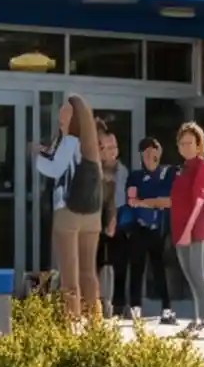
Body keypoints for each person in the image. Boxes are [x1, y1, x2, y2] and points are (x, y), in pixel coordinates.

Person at [35, 94, 104, 322]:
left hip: (68, 211)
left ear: (73, 118)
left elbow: (52, 169)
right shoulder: (89, 145)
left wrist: (38, 154)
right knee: (89, 272)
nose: (60, 117)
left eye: (65, 113)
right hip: (92, 215)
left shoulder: (69, 141)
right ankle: (95, 321)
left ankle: (71, 322)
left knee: (69, 274)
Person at [125, 137, 178, 325]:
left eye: (153, 150)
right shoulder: (135, 176)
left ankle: (167, 309)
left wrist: (144, 202)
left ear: (159, 152)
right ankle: (135, 309)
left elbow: (169, 201)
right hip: (139, 229)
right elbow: (131, 200)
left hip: (160, 230)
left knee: (160, 269)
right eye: (145, 151)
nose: (149, 154)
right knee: (137, 267)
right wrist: (151, 203)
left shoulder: (167, 174)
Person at [170, 122, 204, 339]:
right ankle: (197, 319)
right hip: (179, 230)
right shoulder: (182, 169)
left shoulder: (203, 168)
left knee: (198, 274)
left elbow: (200, 201)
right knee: (189, 275)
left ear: (199, 145)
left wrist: (189, 230)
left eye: (190, 143)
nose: (186, 147)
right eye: (182, 143)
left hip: (194, 231)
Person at [97, 125, 127, 318]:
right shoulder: (93, 169)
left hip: (117, 221)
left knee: (119, 264)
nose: (111, 152)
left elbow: (119, 199)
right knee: (96, 263)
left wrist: (113, 222)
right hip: (94, 221)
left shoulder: (121, 170)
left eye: (114, 147)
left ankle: (118, 305)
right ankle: (96, 304)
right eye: (106, 147)